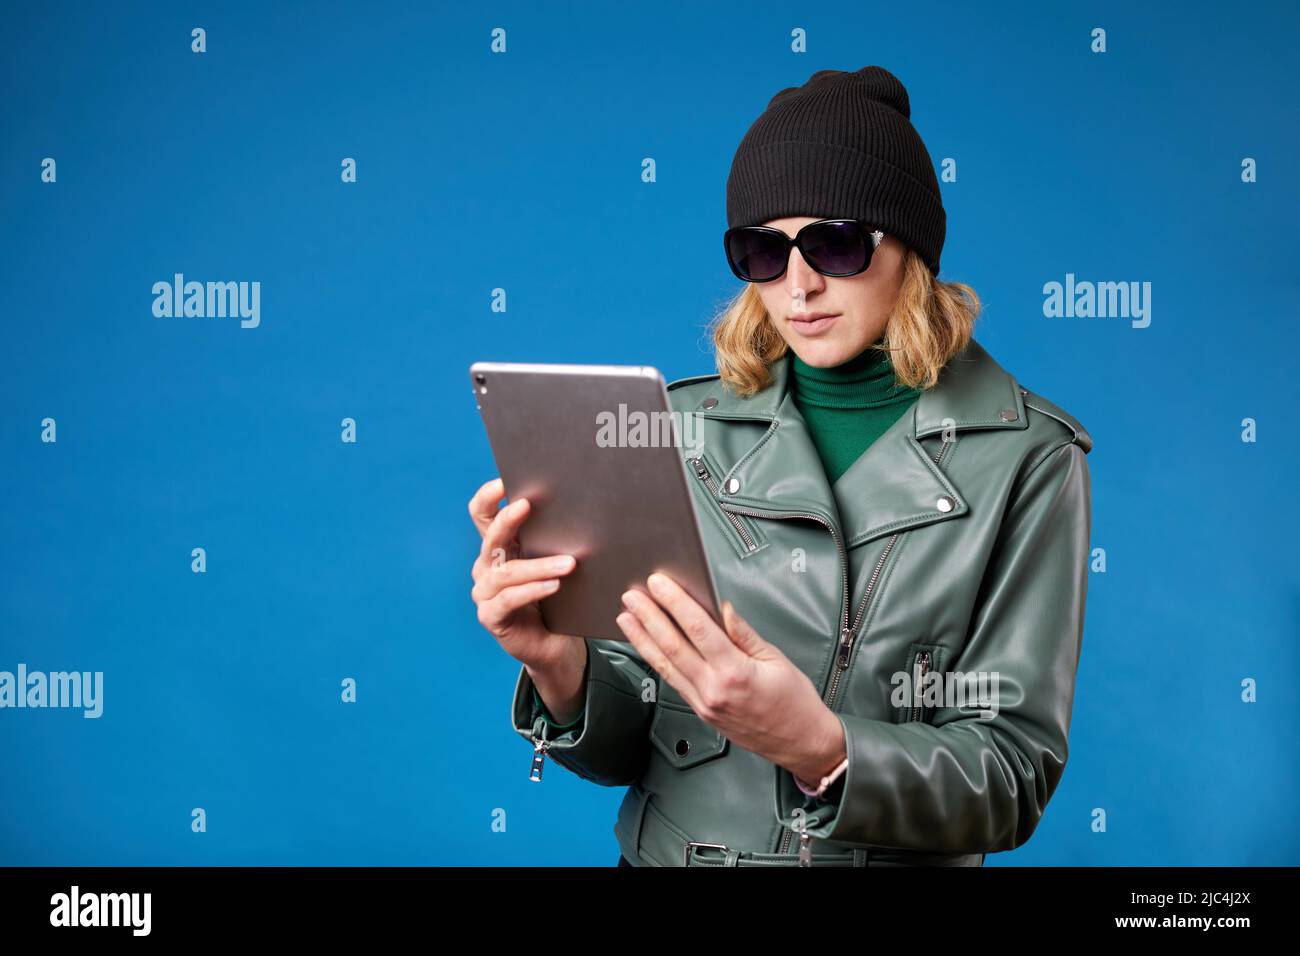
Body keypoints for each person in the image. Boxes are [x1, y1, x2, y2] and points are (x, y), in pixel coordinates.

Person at [468, 65, 1093, 867]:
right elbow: (638, 744)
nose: (798, 285)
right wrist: (560, 662)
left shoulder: (1029, 457)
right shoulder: (677, 426)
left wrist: (824, 749)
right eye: (763, 250)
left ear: (911, 249)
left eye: (835, 243)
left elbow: (1012, 775)